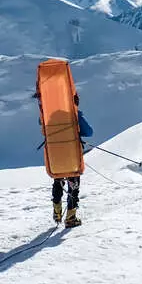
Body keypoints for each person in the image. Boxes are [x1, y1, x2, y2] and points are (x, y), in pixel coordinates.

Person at [51, 93, 93, 228]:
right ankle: (70, 217)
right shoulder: (74, 116)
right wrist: (78, 114)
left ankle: (57, 212)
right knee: (73, 187)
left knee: (58, 182)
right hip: (72, 157)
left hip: (55, 157)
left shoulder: (51, 116)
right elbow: (88, 132)